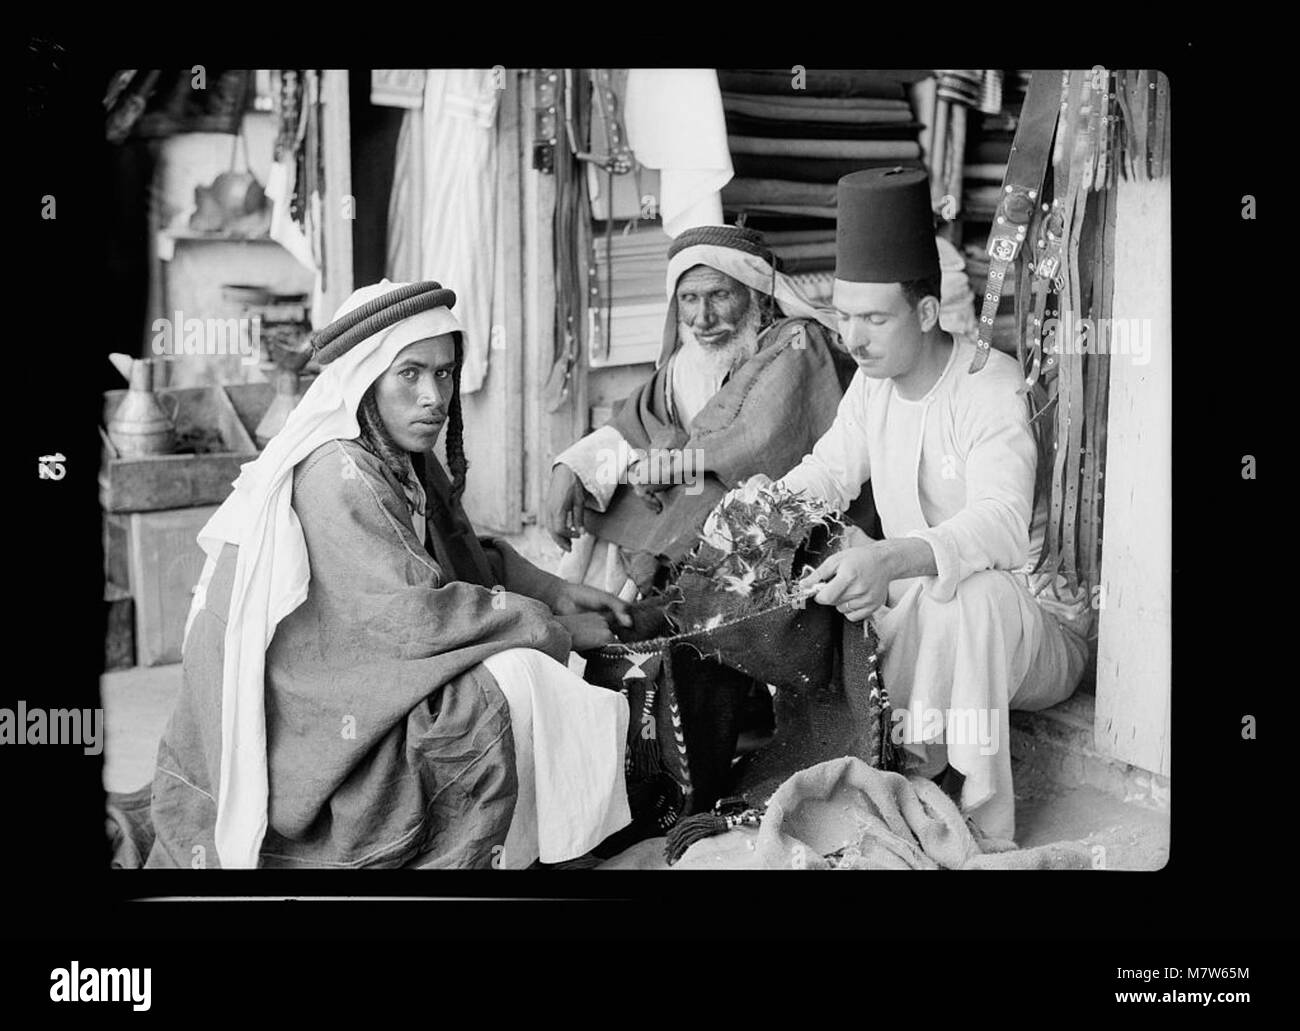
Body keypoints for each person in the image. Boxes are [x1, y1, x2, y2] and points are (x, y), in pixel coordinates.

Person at [145, 280, 633, 870]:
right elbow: (412, 616)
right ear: (365, 380)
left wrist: (554, 588)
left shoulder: (396, 452)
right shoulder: (337, 471)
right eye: (410, 374)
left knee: (527, 669)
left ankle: (534, 847)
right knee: (513, 682)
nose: (434, 396)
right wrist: (555, 626)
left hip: (357, 667)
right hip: (306, 716)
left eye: (446, 373)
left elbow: (452, 553)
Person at [774, 168, 1091, 842]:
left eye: (873, 318)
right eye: (843, 314)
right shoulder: (873, 383)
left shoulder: (990, 387)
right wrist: (758, 514)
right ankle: (902, 774)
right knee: (834, 593)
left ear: (924, 313)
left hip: (1032, 625)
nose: (852, 338)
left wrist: (891, 558)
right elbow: (829, 471)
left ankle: (977, 821)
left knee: (963, 596)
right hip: (925, 614)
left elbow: (1002, 525)